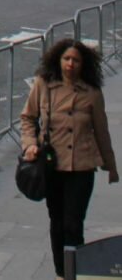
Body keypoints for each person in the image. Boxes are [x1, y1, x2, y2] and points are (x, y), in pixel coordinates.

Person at [21, 38, 119, 279]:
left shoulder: (92, 93)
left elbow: (101, 130)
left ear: (83, 64)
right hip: (52, 165)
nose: (70, 64)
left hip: (82, 165)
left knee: (73, 224)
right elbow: (27, 118)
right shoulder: (44, 85)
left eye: (75, 60)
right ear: (58, 60)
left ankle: (75, 272)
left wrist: (111, 166)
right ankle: (61, 272)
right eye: (66, 59)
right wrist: (30, 145)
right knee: (56, 222)